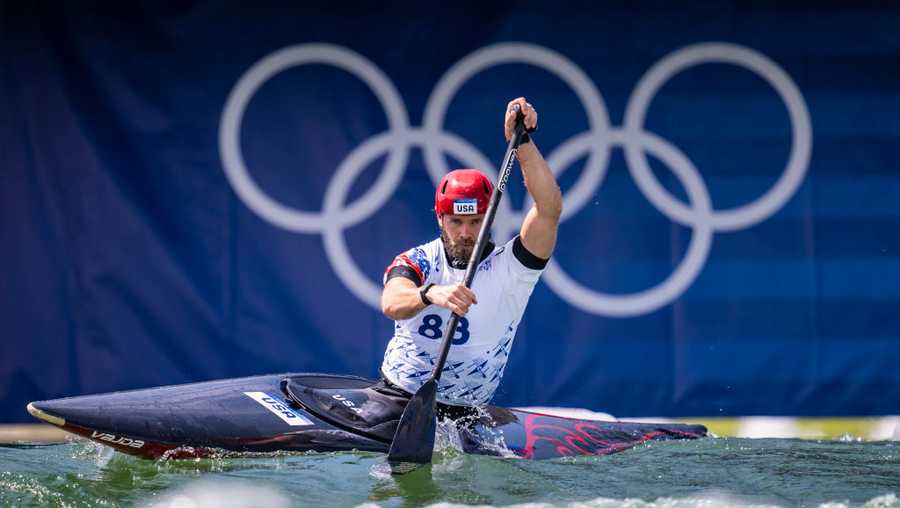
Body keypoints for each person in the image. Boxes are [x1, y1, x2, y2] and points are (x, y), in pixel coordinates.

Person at [378, 97, 562, 417]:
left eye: (476, 221)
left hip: (470, 415)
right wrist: (432, 293)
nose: (466, 233)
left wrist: (522, 143)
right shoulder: (420, 261)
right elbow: (392, 303)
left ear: (490, 220)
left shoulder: (512, 269)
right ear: (440, 218)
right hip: (397, 399)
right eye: (457, 221)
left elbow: (549, 209)